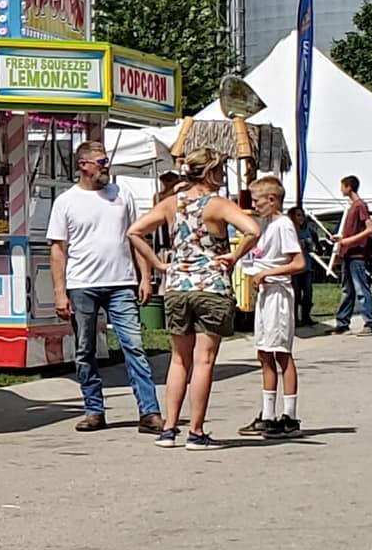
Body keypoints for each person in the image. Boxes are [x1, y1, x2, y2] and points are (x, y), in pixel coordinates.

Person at [129, 147, 262, 451]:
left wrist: (161, 264)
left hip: (176, 286)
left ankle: (169, 428)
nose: (222, 175)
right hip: (211, 286)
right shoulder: (218, 205)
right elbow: (252, 230)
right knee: (204, 360)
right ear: (209, 172)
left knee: (179, 359)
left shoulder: (171, 204)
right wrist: (233, 255)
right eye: (219, 170)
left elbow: (135, 232)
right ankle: (197, 431)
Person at [50, 141, 163, 434]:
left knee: (133, 347)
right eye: (101, 162)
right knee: (85, 349)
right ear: (84, 165)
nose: (106, 167)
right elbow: (58, 250)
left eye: (107, 161)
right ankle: (94, 410)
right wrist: (60, 292)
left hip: (121, 282)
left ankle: (149, 411)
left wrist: (145, 277)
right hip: (82, 284)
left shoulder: (121, 194)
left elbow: (137, 238)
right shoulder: (66, 201)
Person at [236, 177, 307, 439]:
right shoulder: (263, 225)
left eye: (257, 201)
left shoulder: (283, 225)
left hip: (278, 293)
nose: (254, 206)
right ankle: (267, 414)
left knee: (281, 353)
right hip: (264, 293)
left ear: (272, 200)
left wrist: (271, 272)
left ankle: (289, 415)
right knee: (264, 353)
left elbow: (298, 262)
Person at [331, 174, 372, 334]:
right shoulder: (351, 207)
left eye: (342, 186)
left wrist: (349, 241)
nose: (340, 189)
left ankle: (370, 323)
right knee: (347, 290)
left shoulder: (360, 206)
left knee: (360, 289)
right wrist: (341, 238)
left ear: (348, 187)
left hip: (356, 254)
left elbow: (369, 229)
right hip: (347, 254)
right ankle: (343, 322)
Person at [288, 206, 317, 327]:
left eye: (302, 215)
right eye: (298, 215)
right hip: (294, 268)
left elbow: (312, 247)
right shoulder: (289, 231)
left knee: (308, 293)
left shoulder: (306, 231)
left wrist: (306, 243)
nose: (301, 218)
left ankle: (306, 316)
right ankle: (294, 318)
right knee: (296, 294)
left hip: (306, 266)